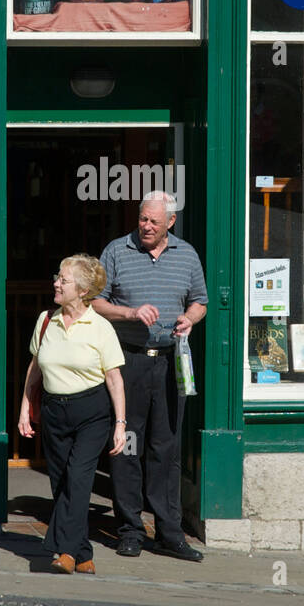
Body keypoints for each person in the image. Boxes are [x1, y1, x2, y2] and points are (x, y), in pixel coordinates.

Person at [92, 191, 207, 562]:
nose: (146, 226)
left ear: (170, 223)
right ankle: (129, 530)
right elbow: (94, 301)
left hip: (171, 360)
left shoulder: (186, 254)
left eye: (154, 221)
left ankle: (169, 533)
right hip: (129, 362)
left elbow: (200, 300)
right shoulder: (116, 251)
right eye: (143, 219)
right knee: (126, 446)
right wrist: (128, 313)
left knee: (166, 449)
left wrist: (190, 318)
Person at [17, 254, 128, 575]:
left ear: (81, 290)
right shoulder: (46, 321)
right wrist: (26, 407)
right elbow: (35, 367)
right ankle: (83, 552)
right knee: (61, 482)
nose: (56, 283)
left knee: (79, 479)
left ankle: (63, 551)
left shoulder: (101, 327)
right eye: (58, 277)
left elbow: (114, 378)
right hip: (54, 410)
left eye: (63, 280)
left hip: (91, 412)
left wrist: (120, 424)